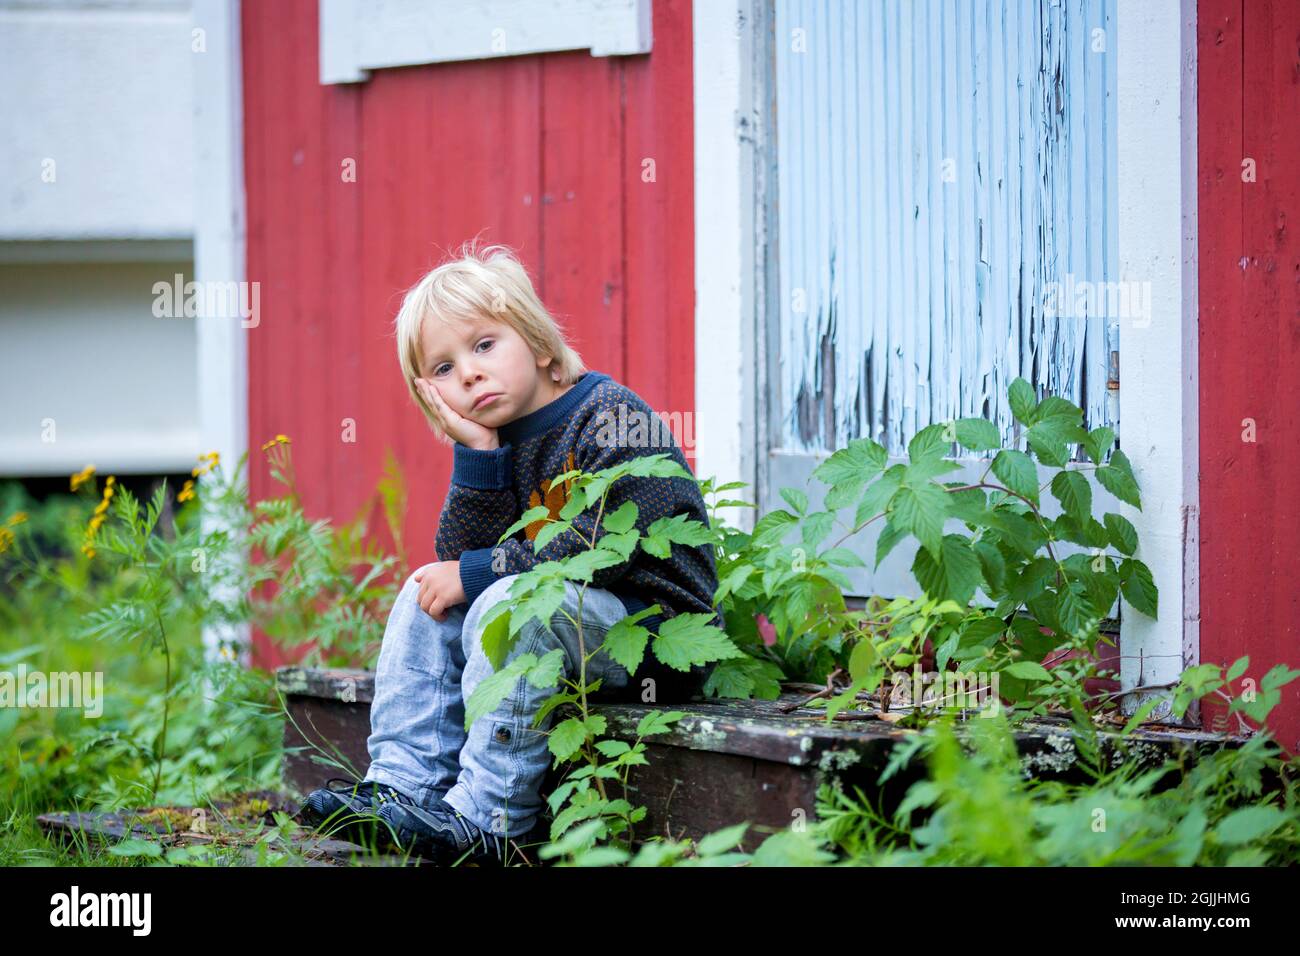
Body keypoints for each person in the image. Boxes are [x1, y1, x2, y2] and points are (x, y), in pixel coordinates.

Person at [300, 240, 727, 865]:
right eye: (443, 369)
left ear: (538, 340)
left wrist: (473, 574)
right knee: (426, 590)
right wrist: (477, 454)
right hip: (569, 625)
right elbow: (459, 560)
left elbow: (598, 554)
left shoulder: (608, 417)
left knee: (509, 598)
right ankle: (400, 787)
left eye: (483, 346)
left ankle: (490, 821)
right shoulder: (494, 438)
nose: (468, 373)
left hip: (652, 635)